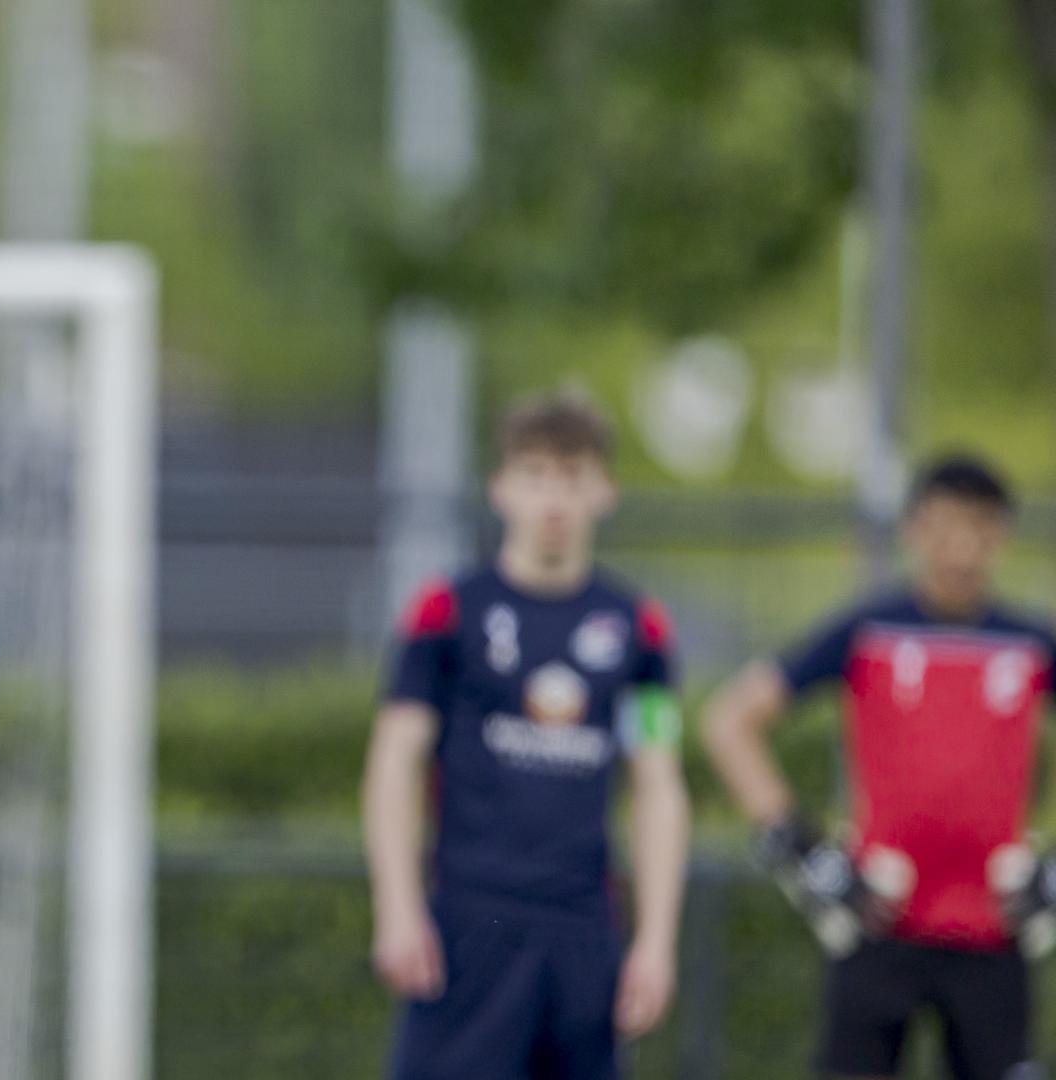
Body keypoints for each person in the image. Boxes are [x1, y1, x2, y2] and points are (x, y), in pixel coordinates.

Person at [363, 392, 690, 1080]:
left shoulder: (639, 628)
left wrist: (656, 940)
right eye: (536, 475)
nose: (553, 499)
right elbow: (395, 759)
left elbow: (658, 782)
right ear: (502, 487)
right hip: (469, 925)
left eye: (572, 479)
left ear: (604, 492)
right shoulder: (448, 611)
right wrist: (396, 906)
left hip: (580, 934)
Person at [704, 454, 1055, 1080]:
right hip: (878, 923)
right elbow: (728, 721)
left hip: (993, 934)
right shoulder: (868, 631)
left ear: (1000, 533)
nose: (961, 548)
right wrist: (803, 851)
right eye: (945, 526)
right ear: (914, 529)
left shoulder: (1029, 643)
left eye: (978, 527)